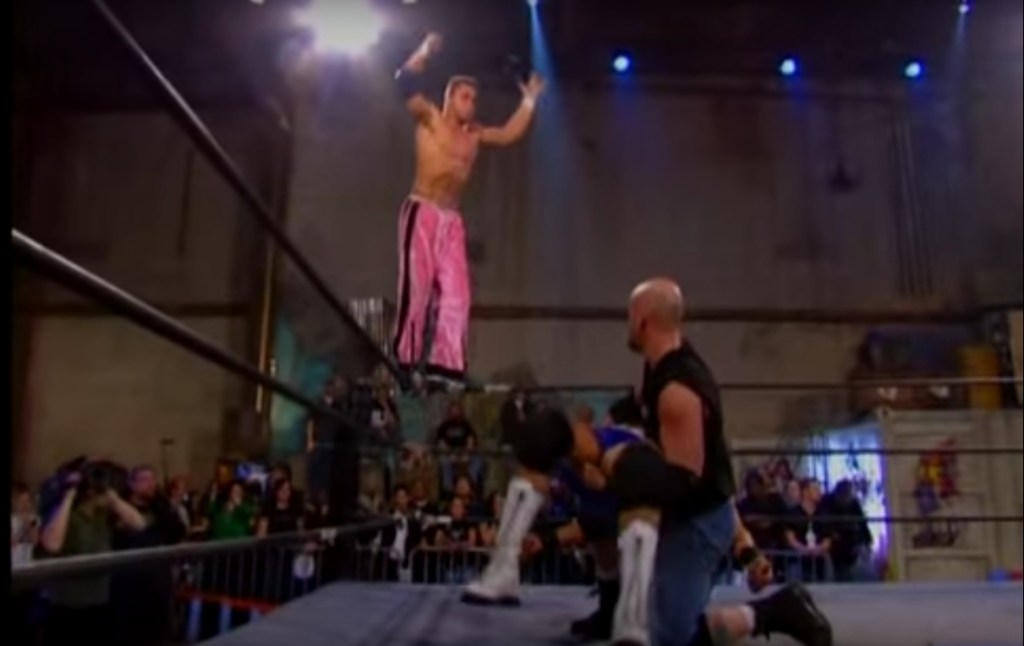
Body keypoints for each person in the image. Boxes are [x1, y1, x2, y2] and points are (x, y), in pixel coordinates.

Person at [463, 278, 832, 646]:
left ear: (642, 321)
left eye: (629, 314)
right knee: (551, 438)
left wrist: (745, 550)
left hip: (695, 524)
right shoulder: (656, 371)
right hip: (663, 500)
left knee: (666, 638)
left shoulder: (678, 392)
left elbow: (684, 485)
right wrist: (575, 446)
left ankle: (774, 611)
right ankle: (508, 569)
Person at [391, 31, 545, 388]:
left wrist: (529, 101)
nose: (471, 104)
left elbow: (507, 134)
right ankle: (406, 361)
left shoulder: (474, 134)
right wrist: (424, 50)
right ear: (449, 98)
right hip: (423, 210)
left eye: (474, 99)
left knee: (457, 293)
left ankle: (446, 366)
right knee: (417, 290)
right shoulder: (431, 119)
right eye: (465, 97)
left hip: (451, 219)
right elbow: (405, 83)